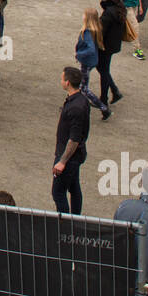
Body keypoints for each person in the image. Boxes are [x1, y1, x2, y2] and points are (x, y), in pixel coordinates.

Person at [52, 66, 90, 215]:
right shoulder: (80, 99)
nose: (61, 81)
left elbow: (74, 139)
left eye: (62, 78)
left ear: (67, 83)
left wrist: (62, 161)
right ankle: (76, 217)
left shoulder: (75, 107)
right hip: (76, 155)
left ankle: (66, 224)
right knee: (74, 188)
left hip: (69, 157)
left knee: (58, 192)